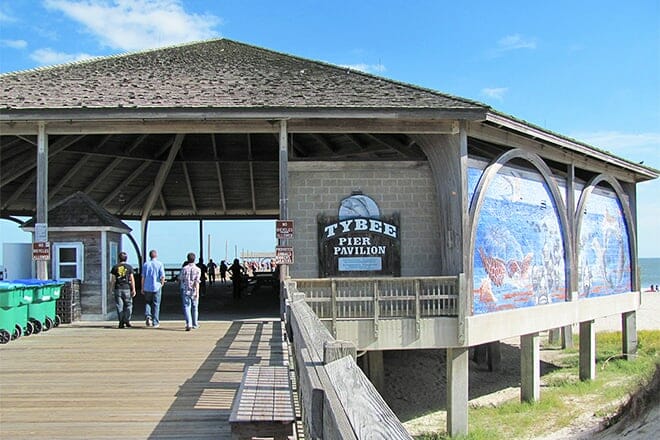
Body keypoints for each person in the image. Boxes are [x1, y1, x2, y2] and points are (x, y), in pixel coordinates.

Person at [110, 251, 136, 329]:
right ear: (126, 259)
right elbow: (132, 279)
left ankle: (121, 322)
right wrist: (133, 289)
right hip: (127, 288)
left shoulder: (115, 267)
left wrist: (111, 289)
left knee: (119, 306)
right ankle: (127, 320)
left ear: (119, 259)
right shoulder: (129, 267)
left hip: (118, 288)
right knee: (129, 305)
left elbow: (113, 280)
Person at [142, 249, 165, 328]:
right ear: (156, 255)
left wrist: (142, 287)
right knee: (156, 304)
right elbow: (162, 276)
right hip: (157, 286)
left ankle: (148, 316)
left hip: (147, 286)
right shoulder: (160, 264)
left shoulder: (146, 264)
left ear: (150, 256)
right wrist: (162, 283)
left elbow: (143, 277)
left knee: (147, 302)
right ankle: (155, 322)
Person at [180, 252, 201, 331]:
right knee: (195, 307)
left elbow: (181, 278)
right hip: (194, 290)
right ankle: (195, 323)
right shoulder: (198, 269)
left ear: (187, 259)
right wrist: (197, 292)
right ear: (194, 259)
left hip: (186, 290)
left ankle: (189, 323)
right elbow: (197, 282)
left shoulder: (184, 269)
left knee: (186, 307)